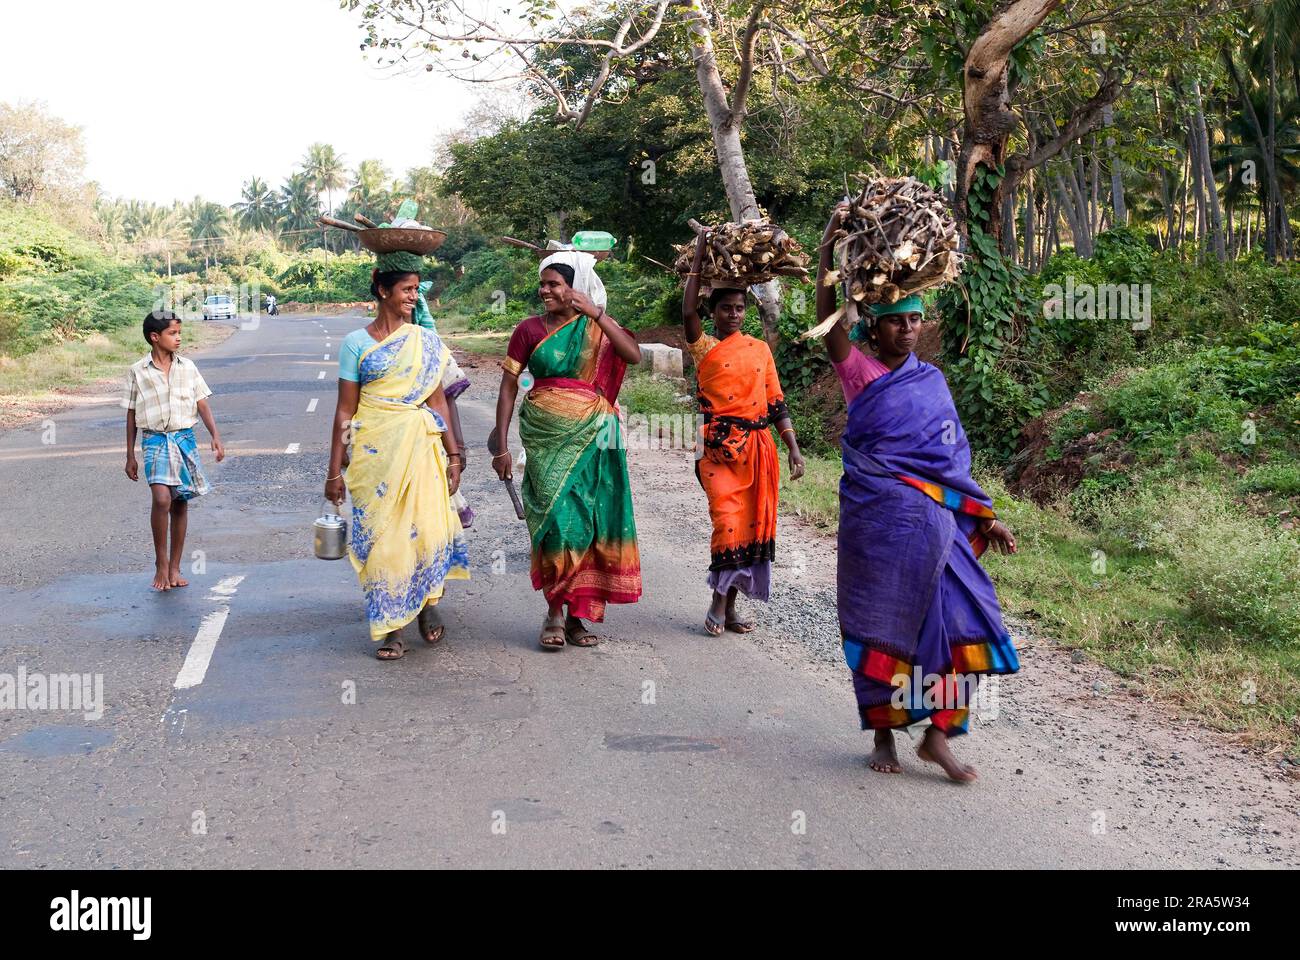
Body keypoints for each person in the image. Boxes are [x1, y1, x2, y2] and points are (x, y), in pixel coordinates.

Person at [816, 204, 1020, 782]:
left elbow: (949, 462)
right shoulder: (858, 372)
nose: (908, 328)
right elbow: (827, 317)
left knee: (969, 623)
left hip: (939, 525)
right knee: (886, 621)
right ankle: (884, 733)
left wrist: (983, 514)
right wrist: (828, 248)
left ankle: (938, 735)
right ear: (872, 326)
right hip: (880, 524)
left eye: (915, 319)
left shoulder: (931, 382)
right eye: (895, 320)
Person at [492, 251, 642, 650]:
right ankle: (554, 610)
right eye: (542, 284)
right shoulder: (527, 330)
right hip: (543, 437)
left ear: (573, 289)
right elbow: (509, 385)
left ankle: (577, 616)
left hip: (593, 435)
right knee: (555, 521)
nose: (545, 291)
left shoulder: (594, 328)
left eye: (553, 284)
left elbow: (633, 354)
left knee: (588, 522)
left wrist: (596, 314)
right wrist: (500, 438)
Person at [325, 250, 469, 660]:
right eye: (406, 290)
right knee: (385, 544)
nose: (413, 297)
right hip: (375, 454)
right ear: (383, 290)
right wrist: (334, 470)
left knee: (426, 532)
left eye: (415, 290)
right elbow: (344, 410)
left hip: (422, 451)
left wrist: (454, 456)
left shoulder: (424, 341)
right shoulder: (355, 344)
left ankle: (427, 603)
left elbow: (438, 401)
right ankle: (390, 624)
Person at [680, 230, 805, 635]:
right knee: (728, 522)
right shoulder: (705, 348)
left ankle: (729, 607)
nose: (733, 314)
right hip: (716, 450)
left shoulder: (758, 349)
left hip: (758, 447)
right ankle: (719, 601)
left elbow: (776, 402)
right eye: (726, 308)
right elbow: (686, 313)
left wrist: (793, 447)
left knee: (752, 527)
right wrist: (700, 251)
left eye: (739, 309)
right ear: (713, 312)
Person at [123, 310, 225, 592]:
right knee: (161, 497)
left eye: (179, 333)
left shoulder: (188, 367)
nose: (178, 338)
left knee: (180, 500)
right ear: (155, 337)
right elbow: (131, 414)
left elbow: (202, 403)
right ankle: (161, 563)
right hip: (155, 440)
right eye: (172, 333)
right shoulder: (138, 371)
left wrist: (215, 436)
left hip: (184, 439)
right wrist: (130, 455)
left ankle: (176, 566)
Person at [413, 279, 474, 528]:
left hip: (428, 443)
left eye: (413, 294)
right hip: (386, 447)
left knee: (429, 520)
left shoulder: (429, 347)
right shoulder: (371, 346)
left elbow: (444, 400)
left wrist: (456, 450)